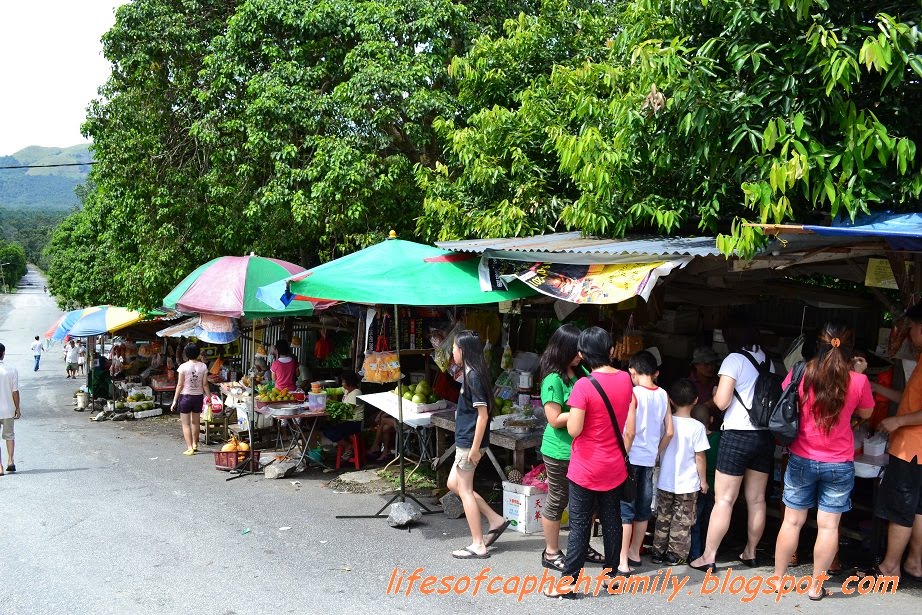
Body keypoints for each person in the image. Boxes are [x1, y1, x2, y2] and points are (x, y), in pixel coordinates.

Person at [773, 323, 874, 600]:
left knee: (791, 522)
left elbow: (786, 400)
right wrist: (859, 374)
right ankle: (817, 587)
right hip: (839, 463)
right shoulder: (858, 381)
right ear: (849, 348)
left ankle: (778, 580)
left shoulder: (802, 371)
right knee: (829, 526)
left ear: (820, 343)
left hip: (802, 457)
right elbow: (866, 413)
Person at [546, 327, 637, 598]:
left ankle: (568, 584)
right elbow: (629, 425)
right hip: (614, 467)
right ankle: (611, 578)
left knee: (579, 527)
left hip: (585, 468)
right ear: (610, 350)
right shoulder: (625, 379)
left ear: (583, 354)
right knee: (612, 523)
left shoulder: (585, 385)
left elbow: (573, 429)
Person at [690, 313, 775, 573]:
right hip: (763, 436)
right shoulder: (768, 362)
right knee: (758, 499)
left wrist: (716, 394)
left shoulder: (734, 360)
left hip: (737, 435)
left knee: (724, 499)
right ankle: (750, 553)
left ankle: (709, 556)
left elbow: (722, 402)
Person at [447, 330, 510, 559]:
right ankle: (495, 519)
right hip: (466, 441)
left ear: (462, 350)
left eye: (454, 348)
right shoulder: (471, 374)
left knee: (464, 491)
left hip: (469, 444)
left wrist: (474, 449)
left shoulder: (473, 376)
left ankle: (478, 544)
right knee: (454, 484)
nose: (452, 352)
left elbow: (483, 416)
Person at [871, 304, 922, 583]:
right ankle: (915, 564)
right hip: (917, 450)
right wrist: (878, 388)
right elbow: (909, 399)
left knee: (900, 508)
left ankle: (890, 567)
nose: (910, 334)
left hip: (911, 448)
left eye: (912, 328)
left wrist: (898, 422)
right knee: (917, 508)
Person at [621, 350, 673, 572]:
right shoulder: (663, 394)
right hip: (649, 460)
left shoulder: (632, 394)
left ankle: (622, 559)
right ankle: (634, 552)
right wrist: (656, 452)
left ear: (633, 372)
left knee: (625, 510)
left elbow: (629, 432)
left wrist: (623, 455)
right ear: (655, 373)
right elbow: (669, 431)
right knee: (643, 509)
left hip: (631, 458)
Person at [537, 324, 583, 572]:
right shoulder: (553, 379)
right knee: (557, 499)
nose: (581, 355)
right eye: (576, 351)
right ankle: (551, 552)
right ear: (563, 349)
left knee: (581, 502)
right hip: (558, 450)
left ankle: (579, 547)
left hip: (579, 450)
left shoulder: (578, 371)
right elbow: (553, 419)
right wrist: (581, 412)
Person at [652, 378, 709, 565]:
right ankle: (674, 555)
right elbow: (699, 457)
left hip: (665, 480)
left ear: (671, 400)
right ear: (696, 400)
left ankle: (657, 552)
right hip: (688, 483)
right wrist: (703, 481)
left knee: (663, 517)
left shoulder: (665, 424)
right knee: (682, 520)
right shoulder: (698, 427)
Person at [689, 403, 720, 561]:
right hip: (717, 486)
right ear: (712, 419)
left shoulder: (692, 436)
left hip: (697, 484)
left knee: (695, 520)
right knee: (712, 520)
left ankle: (695, 552)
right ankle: (711, 551)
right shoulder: (719, 438)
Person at [170, 343, 210, 455]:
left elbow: (179, 385)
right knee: (196, 422)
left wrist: (174, 401)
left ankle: (189, 447)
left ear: (186, 354)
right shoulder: (203, 366)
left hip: (185, 397)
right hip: (198, 397)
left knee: (185, 424)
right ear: (198, 353)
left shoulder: (183, 367)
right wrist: (209, 397)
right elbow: (205, 384)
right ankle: (195, 444)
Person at [321, 372, 364, 460]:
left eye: (343, 382)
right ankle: (344, 444)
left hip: (354, 424)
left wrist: (331, 403)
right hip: (347, 422)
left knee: (329, 431)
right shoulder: (347, 390)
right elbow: (336, 390)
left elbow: (347, 408)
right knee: (325, 427)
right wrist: (321, 390)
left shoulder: (357, 393)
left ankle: (348, 446)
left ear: (349, 382)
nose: (342, 384)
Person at [0, 342, 21, 474]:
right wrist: (17, 409)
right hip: (8, 409)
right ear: (3, 354)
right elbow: (15, 392)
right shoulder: (11, 370)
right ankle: (10, 461)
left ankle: (0, 467)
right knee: (9, 436)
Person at [690, 346, 722, 430]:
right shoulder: (688, 385)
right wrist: (709, 404)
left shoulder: (720, 382)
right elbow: (681, 410)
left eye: (713, 364)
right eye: (706, 364)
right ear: (696, 365)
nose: (711, 367)